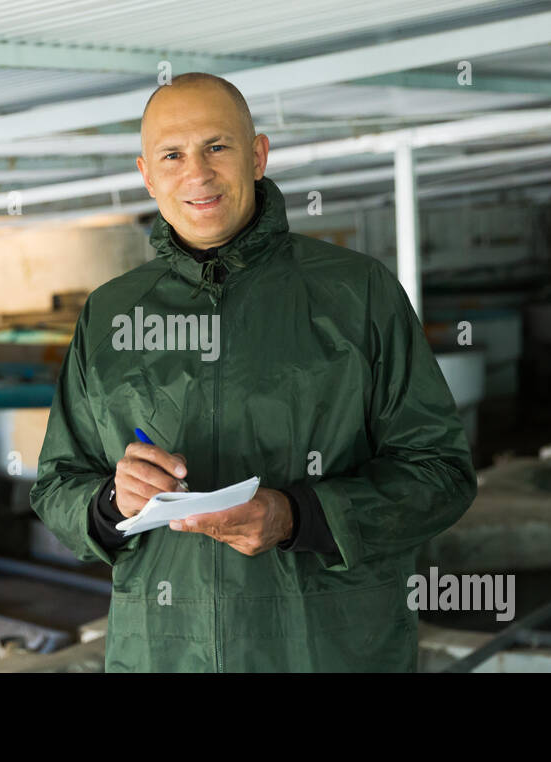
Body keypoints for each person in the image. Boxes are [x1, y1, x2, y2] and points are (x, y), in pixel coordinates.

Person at [30, 72, 477, 672]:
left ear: (258, 154)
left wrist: (299, 517)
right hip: (165, 652)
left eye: (217, 146)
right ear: (146, 173)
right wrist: (111, 502)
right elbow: (58, 481)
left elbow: (441, 473)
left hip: (326, 651)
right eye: (173, 155)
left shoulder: (355, 292)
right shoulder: (111, 313)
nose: (198, 173)